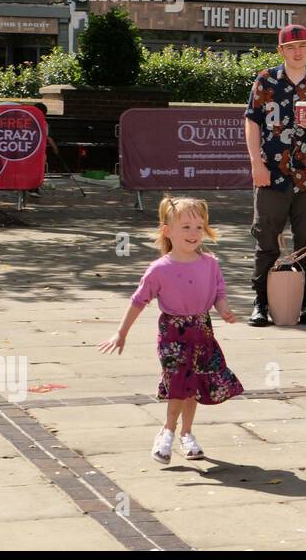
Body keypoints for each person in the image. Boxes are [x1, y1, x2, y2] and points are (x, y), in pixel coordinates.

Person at [98, 196, 243, 462]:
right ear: (168, 231)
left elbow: (218, 292)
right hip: (173, 334)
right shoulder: (159, 269)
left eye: (199, 227)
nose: (194, 233)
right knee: (179, 382)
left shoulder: (210, 263)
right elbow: (138, 301)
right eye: (186, 226)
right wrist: (121, 333)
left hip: (202, 329)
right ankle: (167, 431)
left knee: (195, 384)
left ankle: (187, 434)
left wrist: (223, 310)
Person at [244, 24, 306, 327]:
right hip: (271, 171)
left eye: (303, 46)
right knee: (266, 235)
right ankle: (260, 301)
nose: (298, 52)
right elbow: (252, 122)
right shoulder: (266, 79)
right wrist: (256, 164)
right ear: (281, 50)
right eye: (291, 47)